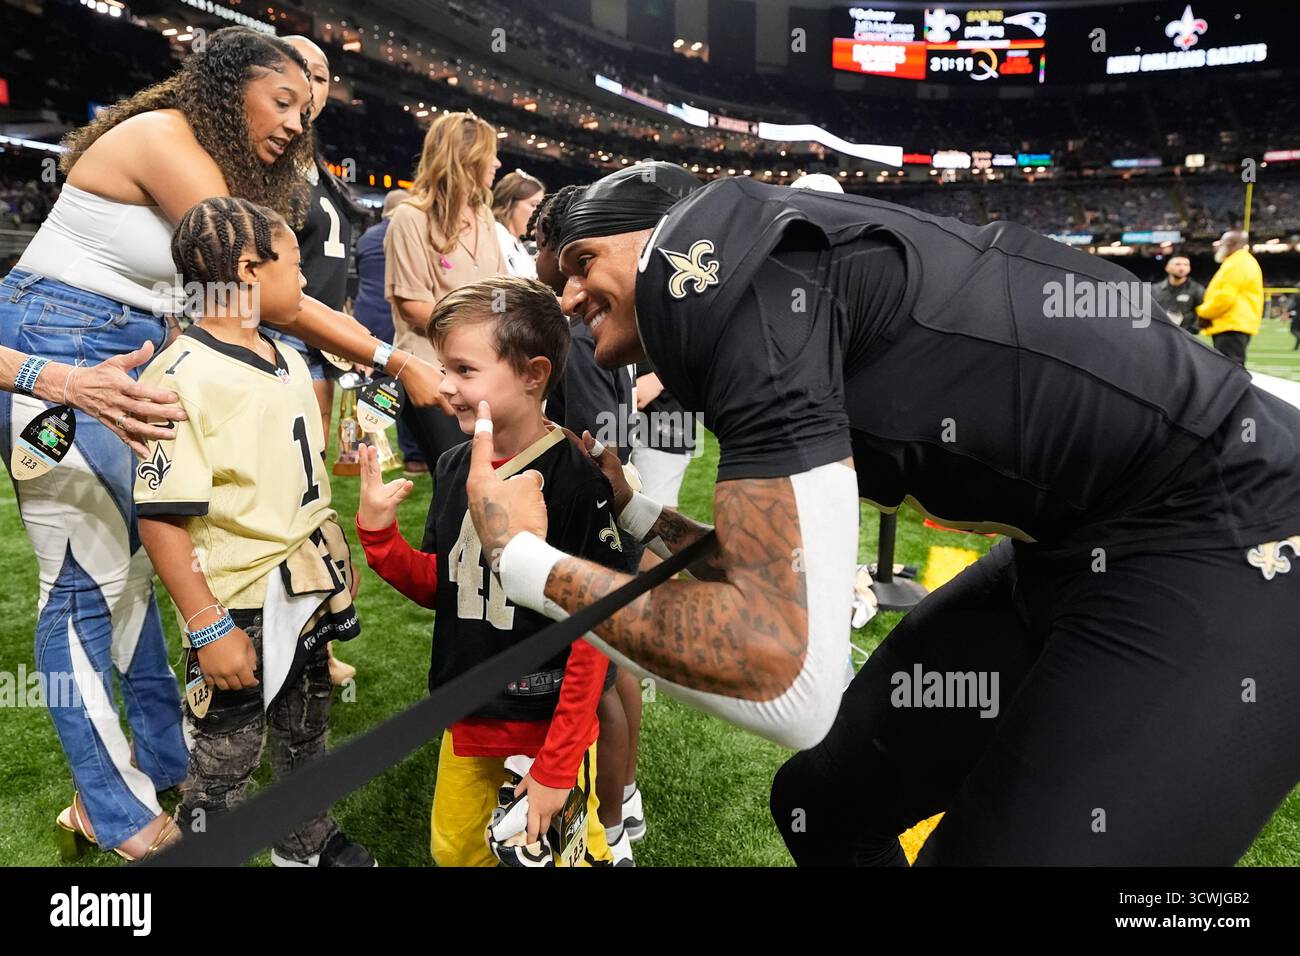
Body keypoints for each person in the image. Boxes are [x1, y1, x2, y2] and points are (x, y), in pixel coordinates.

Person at [466, 162, 1300, 866]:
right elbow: (771, 576)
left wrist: (523, 559)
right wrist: (638, 512)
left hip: (1230, 530)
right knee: (822, 804)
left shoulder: (719, 275)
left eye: (578, 263)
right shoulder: (762, 278)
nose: (570, 296)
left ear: (662, 233)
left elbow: (789, 682)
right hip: (1076, 541)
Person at [2, 26, 441, 862]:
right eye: (283, 100)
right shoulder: (169, 139)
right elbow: (269, 287)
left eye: (306, 111)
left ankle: (162, 760)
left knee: (129, 572)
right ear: (225, 85)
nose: (294, 122)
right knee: (84, 584)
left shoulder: (202, 154)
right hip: (61, 345)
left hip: (123, 341)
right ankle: (110, 808)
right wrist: (390, 358)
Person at [135, 197, 374, 867]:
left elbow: (302, 481)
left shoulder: (290, 355)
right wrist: (208, 625)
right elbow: (160, 515)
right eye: (294, 266)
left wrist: (332, 549)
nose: (303, 283)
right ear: (248, 268)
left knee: (307, 726)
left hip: (305, 583)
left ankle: (304, 838)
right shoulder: (178, 377)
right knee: (225, 756)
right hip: (238, 596)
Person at [356, 275, 625, 866]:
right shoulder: (455, 465)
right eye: (442, 367)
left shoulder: (575, 479)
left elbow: (595, 632)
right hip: (469, 713)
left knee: (561, 854)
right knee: (454, 852)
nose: (445, 386)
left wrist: (557, 763)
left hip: (546, 725)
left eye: (464, 370)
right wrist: (380, 537)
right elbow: (445, 589)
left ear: (533, 373)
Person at [528, 185, 645, 864]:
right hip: (603, 504)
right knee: (610, 665)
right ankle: (622, 805)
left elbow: (603, 438)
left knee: (600, 675)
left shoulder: (574, 327)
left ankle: (611, 814)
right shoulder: (588, 316)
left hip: (591, 508)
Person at [385, 111, 506, 470]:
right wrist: (483, 325)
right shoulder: (410, 218)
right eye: (490, 154)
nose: (497, 163)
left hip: (486, 368)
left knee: (487, 476)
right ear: (465, 159)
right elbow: (414, 305)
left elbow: (501, 286)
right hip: (433, 373)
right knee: (455, 478)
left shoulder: (485, 216)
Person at [354, 188, 425, 475]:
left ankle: (364, 448)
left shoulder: (366, 238)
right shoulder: (407, 232)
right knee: (404, 384)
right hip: (397, 319)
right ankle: (414, 457)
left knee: (368, 385)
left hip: (364, 317)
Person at [1196, 229, 1264, 365]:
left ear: (1230, 243)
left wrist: (1203, 312)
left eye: (1221, 243)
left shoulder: (1238, 263)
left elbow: (1225, 296)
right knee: (1229, 370)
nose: (1219, 246)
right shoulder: (1240, 261)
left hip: (1232, 325)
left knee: (1231, 370)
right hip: (1232, 323)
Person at [493, 169, 545, 279]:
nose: (539, 213)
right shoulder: (495, 234)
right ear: (509, 203)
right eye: (533, 205)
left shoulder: (517, 244)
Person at [1150, 254, 1205, 333]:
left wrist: (1193, 330)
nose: (1182, 268)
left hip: (1186, 335)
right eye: (1177, 264)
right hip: (1160, 334)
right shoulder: (1155, 289)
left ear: (1189, 268)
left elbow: (1202, 314)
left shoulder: (1197, 289)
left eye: (1186, 265)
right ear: (1167, 268)